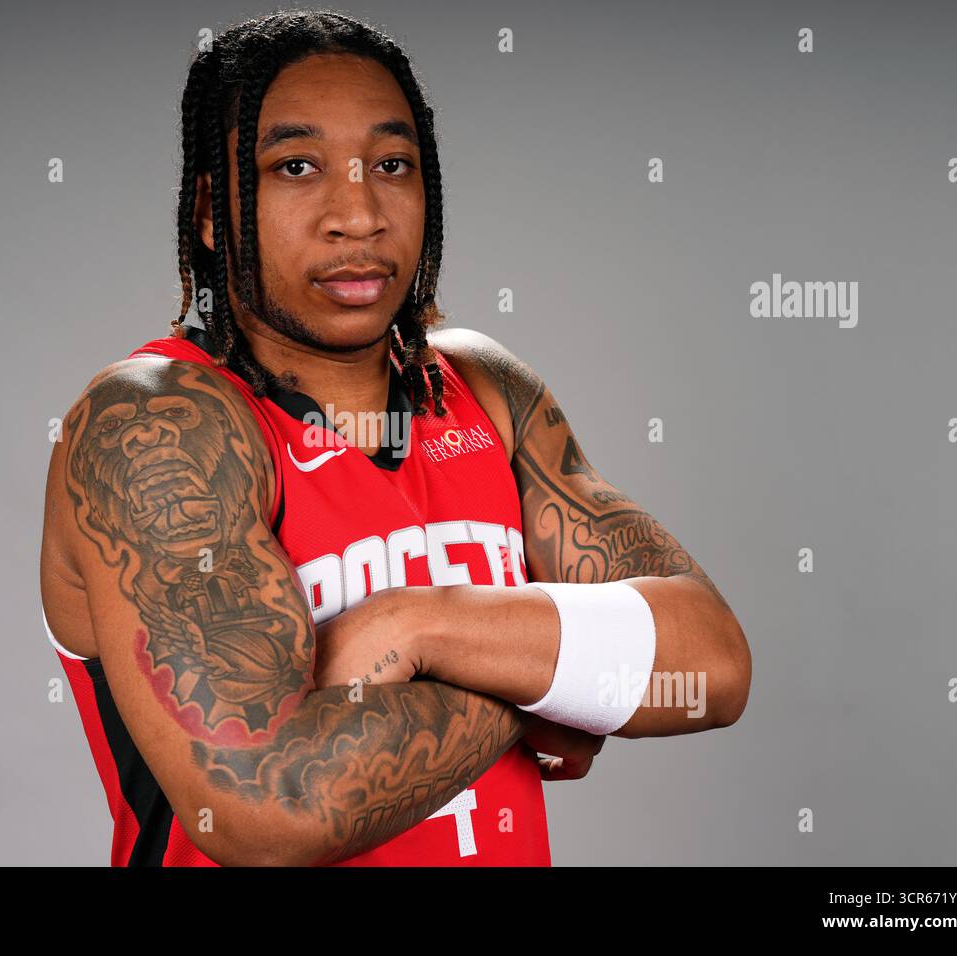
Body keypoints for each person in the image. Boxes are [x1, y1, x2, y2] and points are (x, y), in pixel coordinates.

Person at [38, 9, 751, 867]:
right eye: (295, 166)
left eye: (392, 164)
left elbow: (712, 663)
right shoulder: (156, 422)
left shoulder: (485, 388)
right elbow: (277, 804)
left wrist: (426, 624)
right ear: (213, 214)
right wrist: (544, 685)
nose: (359, 213)